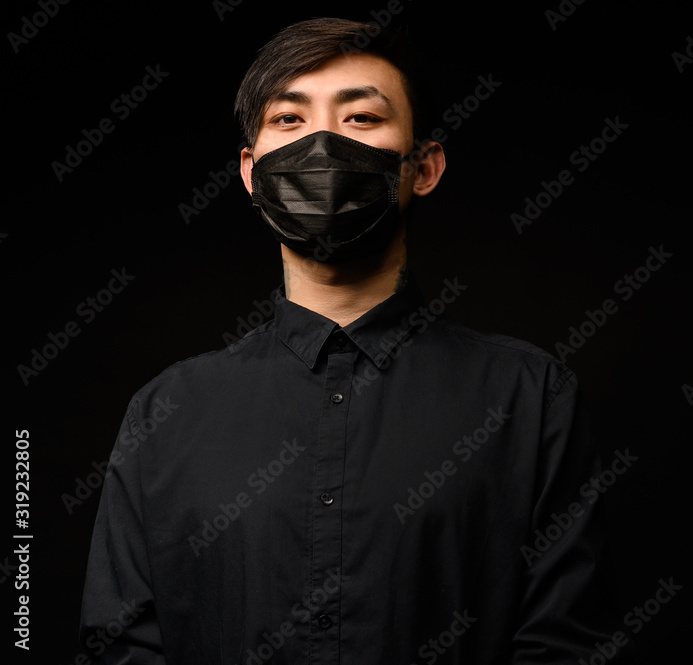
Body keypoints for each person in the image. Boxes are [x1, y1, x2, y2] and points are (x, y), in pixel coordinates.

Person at [80, 17, 629, 664]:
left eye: (361, 118)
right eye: (289, 119)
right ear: (251, 174)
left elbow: (565, 645)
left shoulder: (531, 399)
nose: (321, 144)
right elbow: (119, 648)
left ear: (424, 167)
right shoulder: (164, 413)